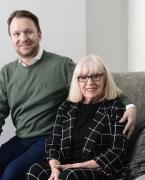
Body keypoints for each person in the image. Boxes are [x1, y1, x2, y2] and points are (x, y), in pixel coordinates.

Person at [0, 10, 136, 180]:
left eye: (28, 32)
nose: (23, 38)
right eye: (16, 34)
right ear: (11, 38)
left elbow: (97, 83)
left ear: (39, 34)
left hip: (47, 138)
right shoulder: (6, 72)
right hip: (20, 139)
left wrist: (130, 106)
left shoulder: (62, 65)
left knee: (10, 174)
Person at [26, 55, 130, 180]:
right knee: (35, 171)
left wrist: (75, 166)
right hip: (65, 167)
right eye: (83, 78)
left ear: (105, 79)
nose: (90, 82)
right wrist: (55, 169)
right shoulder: (66, 108)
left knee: (70, 175)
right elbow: (53, 144)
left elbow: (118, 152)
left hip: (100, 170)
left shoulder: (116, 109)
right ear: (77, 81)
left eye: (96, 76)